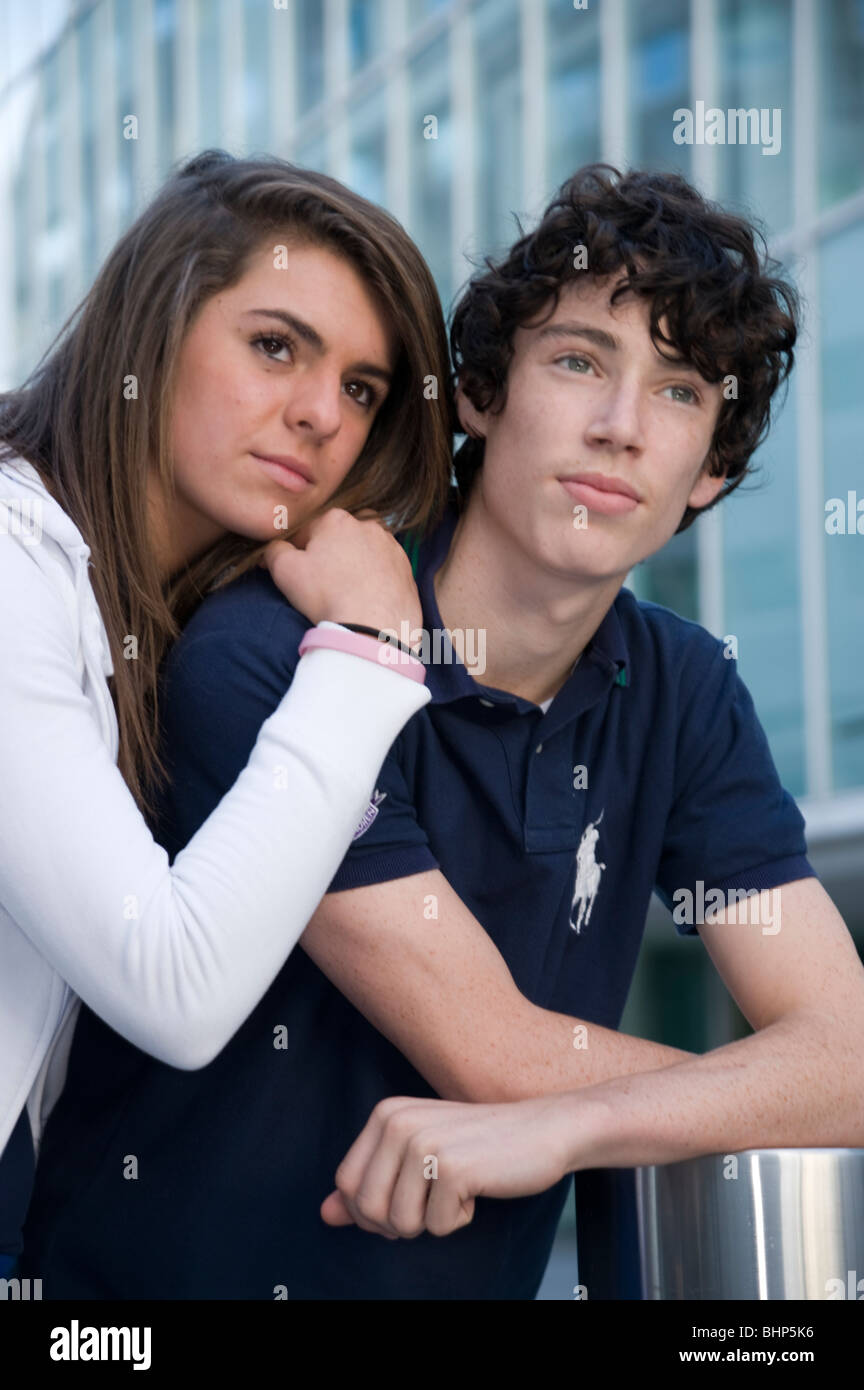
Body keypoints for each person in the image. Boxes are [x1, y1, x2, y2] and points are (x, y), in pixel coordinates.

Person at [22, 166, 864, 1300]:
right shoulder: (277, 650)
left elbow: (847, 1056)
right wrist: (742, 1090)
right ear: (478, 394)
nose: (620, 429)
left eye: (678, 393)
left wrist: (575, 1125)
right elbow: (496, 1053)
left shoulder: (686, 689)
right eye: (579, 362)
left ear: (711, 471)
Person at [0, 148, 456, 1279]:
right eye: (274, 346)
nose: (317, 415)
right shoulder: (12, 565)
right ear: (152, 332)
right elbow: (176, 985)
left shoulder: (132, 623)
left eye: (361, 388)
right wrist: (365, 654)